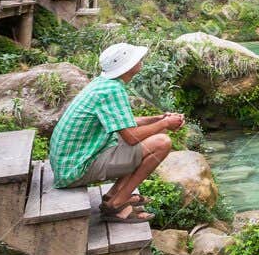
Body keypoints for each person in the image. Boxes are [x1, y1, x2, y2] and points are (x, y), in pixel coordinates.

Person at [49, 42, 184, 223]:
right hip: (75, 168)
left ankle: (112, 196)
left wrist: (159, 118)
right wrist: (166, 124)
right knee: (161, 143)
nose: (141, 60)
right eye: (137, 59)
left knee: (142, 142)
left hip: (69, 162)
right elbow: (130, 137)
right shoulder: (113, 90)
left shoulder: (104, 84)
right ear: (127, 67)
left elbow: (124, 124)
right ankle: (116, 205)